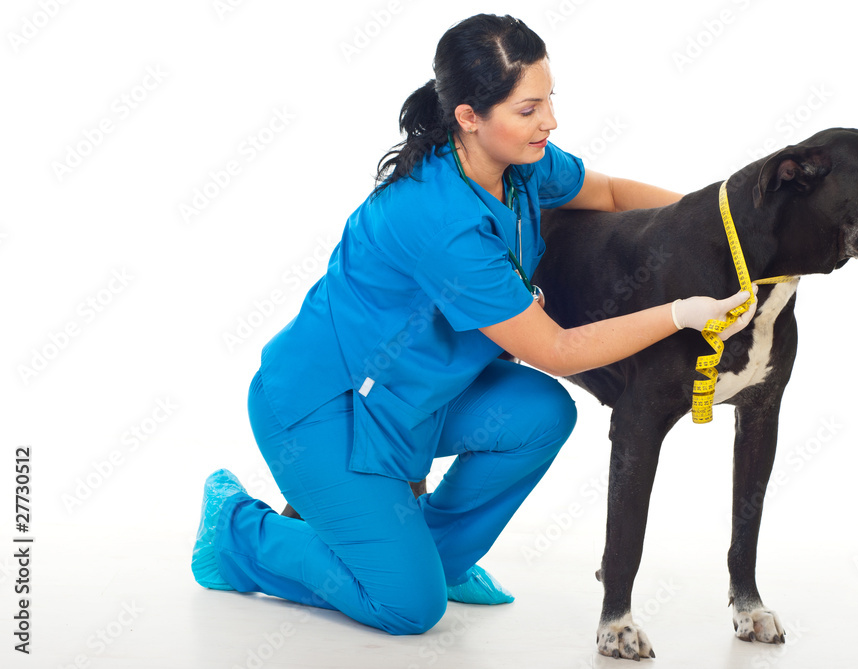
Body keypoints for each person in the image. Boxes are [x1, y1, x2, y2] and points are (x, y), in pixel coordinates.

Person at [191, 13, 757, 635]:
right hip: (327, 407)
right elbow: (557, 350)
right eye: (528, 109)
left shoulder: (521, 163)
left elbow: (615, 195)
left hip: (417, 394)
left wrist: (723, 228)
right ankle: (236, 533)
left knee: (542, 414)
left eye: (550, 100)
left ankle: (434, 557)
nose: (550, 121)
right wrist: (678, 313)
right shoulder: (440, 219)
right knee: (408, 607)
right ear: (468, 116)